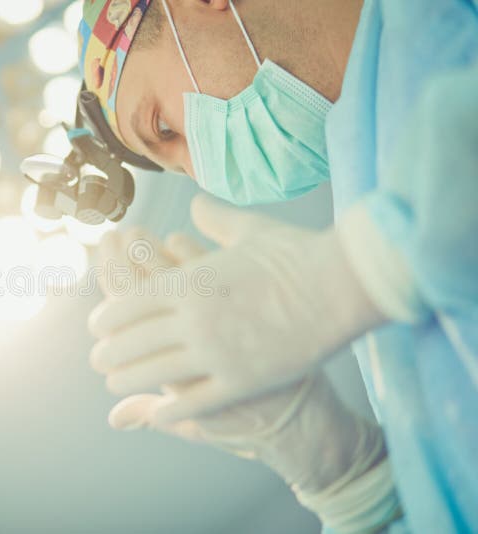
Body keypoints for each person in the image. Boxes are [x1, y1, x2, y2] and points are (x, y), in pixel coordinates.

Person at [76, 0, 478, 532]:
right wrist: (351, 487)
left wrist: (363, 269)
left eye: (163, 126)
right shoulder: (367, 184)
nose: (201, 172)